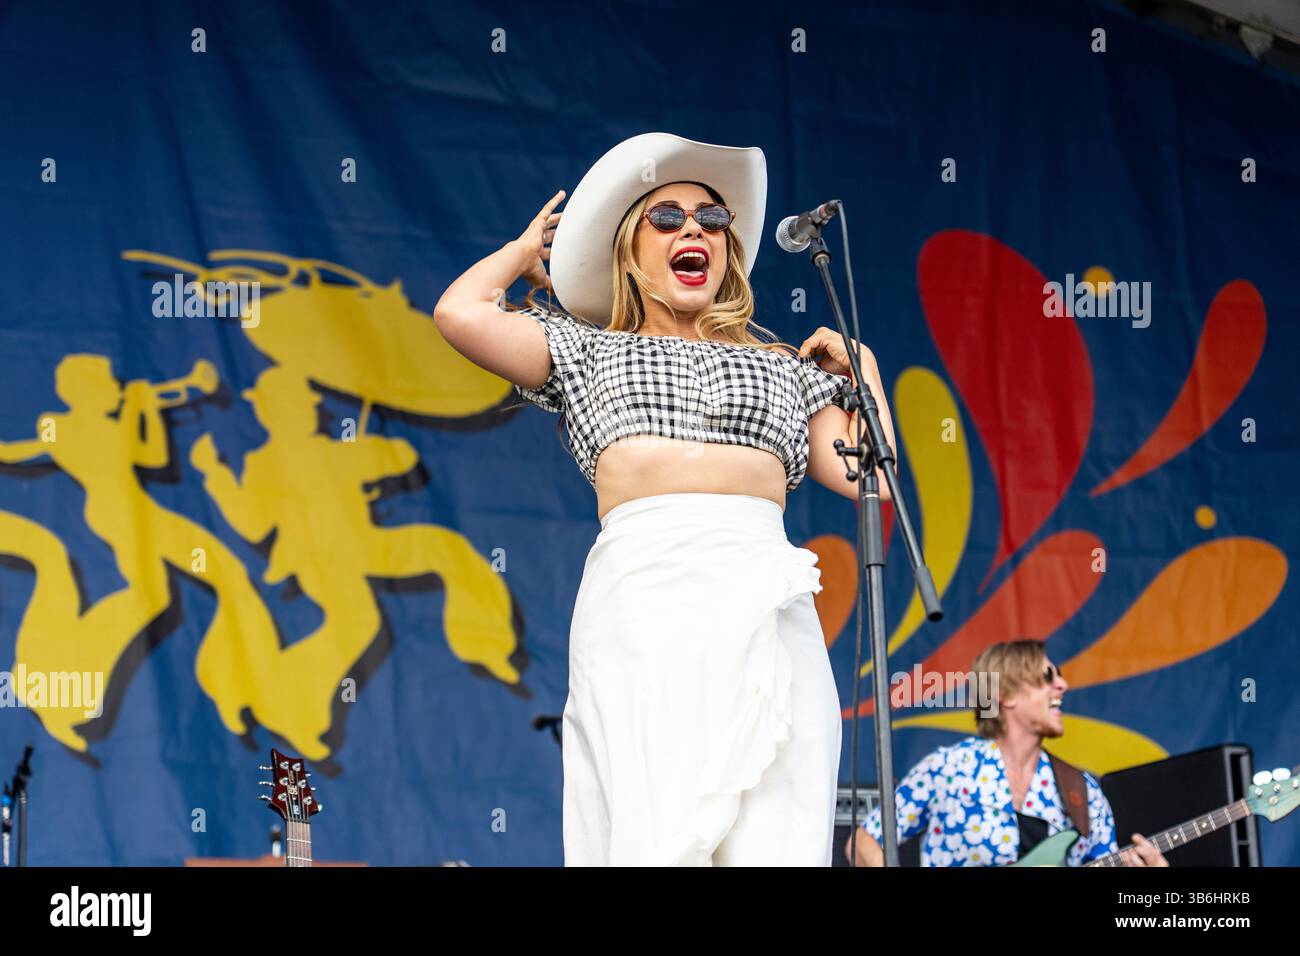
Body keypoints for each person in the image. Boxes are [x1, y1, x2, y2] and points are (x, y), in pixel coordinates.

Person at [434, 132, 897, 866]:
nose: (695, 231)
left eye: (713, 222)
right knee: (655, 828)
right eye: (669, 218)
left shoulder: (780, 363)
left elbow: (869, 478)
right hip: (647, 606)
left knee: (775, 829)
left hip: (766, 608)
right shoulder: (587, 348)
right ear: (630, 251)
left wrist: (862, 367)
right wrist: (525, 254)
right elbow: (460, 313)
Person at [847, 639, 1169, 867]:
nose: (1062, 685)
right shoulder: (948, 769)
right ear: (1005, 695)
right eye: (1047, 676)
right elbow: (863, 840)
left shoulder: (1083, 791)